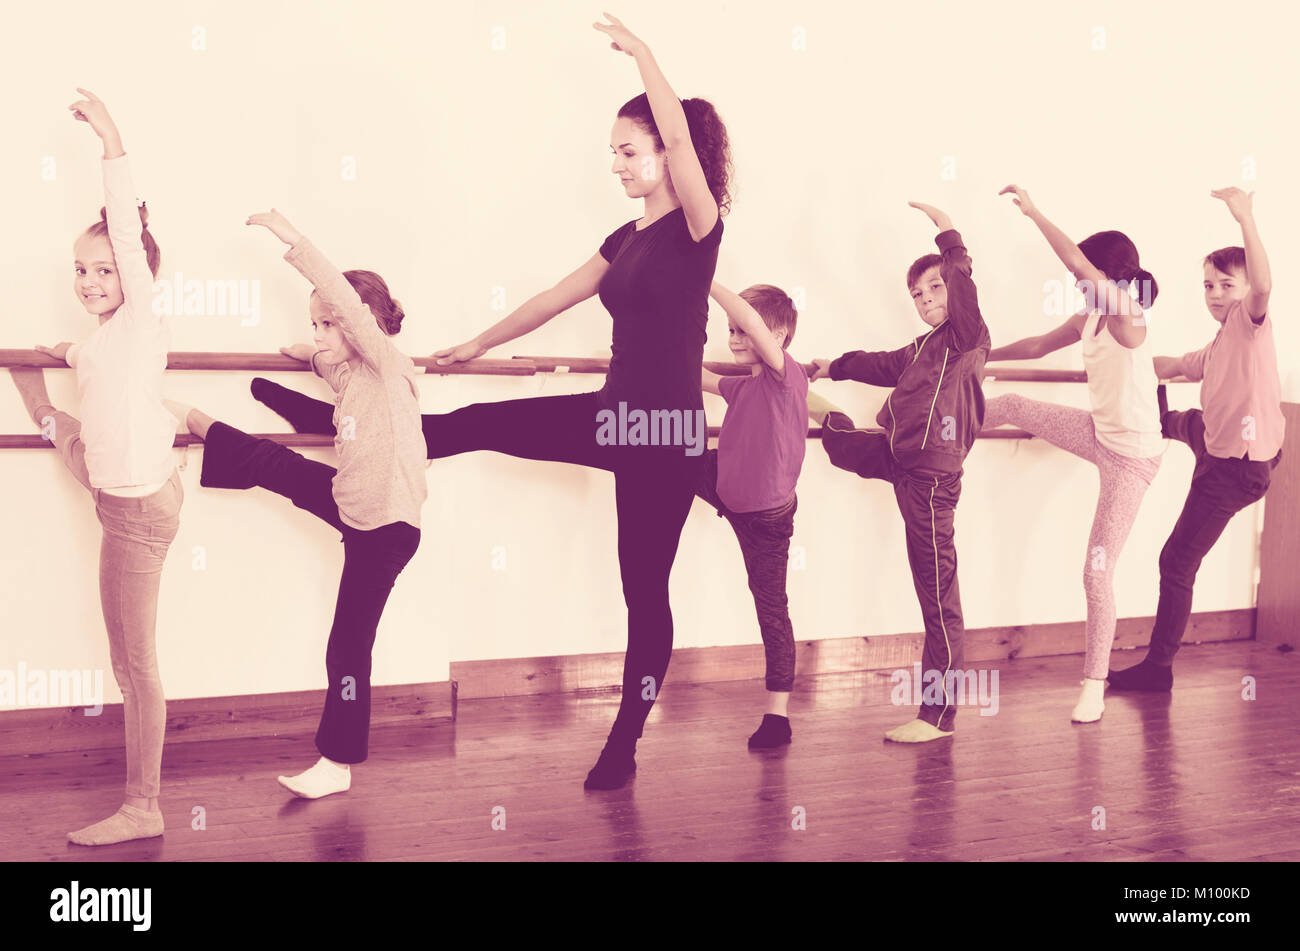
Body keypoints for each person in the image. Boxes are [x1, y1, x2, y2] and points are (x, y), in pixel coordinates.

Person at [249, 15, 730, 790]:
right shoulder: (625, 238)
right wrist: (476, 345)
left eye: (627, 149)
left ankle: (625, 739)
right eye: (612, 150)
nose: (615, 163)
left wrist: (645, 58)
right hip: (614, 415)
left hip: (668, 434)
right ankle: (355, 422)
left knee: (644, 593)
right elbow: (548, 299)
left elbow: (678, 136)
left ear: (672, 156)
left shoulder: (699, 229)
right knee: (476, 423)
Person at [166, 208, 425, 799]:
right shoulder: (356, 377)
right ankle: (198, 419)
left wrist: (295, 240)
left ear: (354, 326)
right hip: (352, 506)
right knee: (276, 465)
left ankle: (337, 764)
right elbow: (334, 367)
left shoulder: (389, 368)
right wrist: (307, 356)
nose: (318, 335)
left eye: (323, 326)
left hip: (384, 528)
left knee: (347, 644)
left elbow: (350, 313)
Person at [9, 90, 183, 844]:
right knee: (58, 417)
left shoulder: (142, 323)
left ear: (135, 276)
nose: (90, 282)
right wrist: (44, 358)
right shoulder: (103, 341)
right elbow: (86, 358)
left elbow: (122, 222)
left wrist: (111, 140)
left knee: (134, 664)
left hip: (139, 507)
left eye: (106, 271)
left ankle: (144, 806)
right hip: (114, 487)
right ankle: (30, 393)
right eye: (81, 270)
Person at [810, 202, 990, 742]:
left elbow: (960, 281)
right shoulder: (924, 348)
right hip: (903, 458)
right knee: (842, 444)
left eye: (935, 288)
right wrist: (831, 367)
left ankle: (938, 717)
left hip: (932, 477)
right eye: (917, 294)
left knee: (937, 598)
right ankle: (810, 400)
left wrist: (946, 233)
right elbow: (879, 362)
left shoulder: (966, 336)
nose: (927, 299)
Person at [983, 185, 1162, 723]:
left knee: (1095, 571)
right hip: (1097, 434)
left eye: (1087, 278)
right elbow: (1037, 346)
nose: (1078, 286)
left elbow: (1079, 265)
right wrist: (980, 356)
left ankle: (1094, 685)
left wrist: (1036, 214)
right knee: (1011, 400)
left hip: (1133, 459)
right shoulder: (1089, 316)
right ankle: (933, 432)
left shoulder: (1129, 313)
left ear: (1111, 277)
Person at [1109, 187, 1283, 691]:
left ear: (1245, 291)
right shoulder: (1218, 344)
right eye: (1207, 285)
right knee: (1180, 419)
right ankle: (1159, 425)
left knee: (1175, 560)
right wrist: (1126, 355)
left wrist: (1244, 215)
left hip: (1234, 469)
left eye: (1226, 285)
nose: (1213, 293)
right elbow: (1172, 365)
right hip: (1219, 444)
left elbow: (1265, 283)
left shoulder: (1251, 325)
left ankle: (1157, 670)